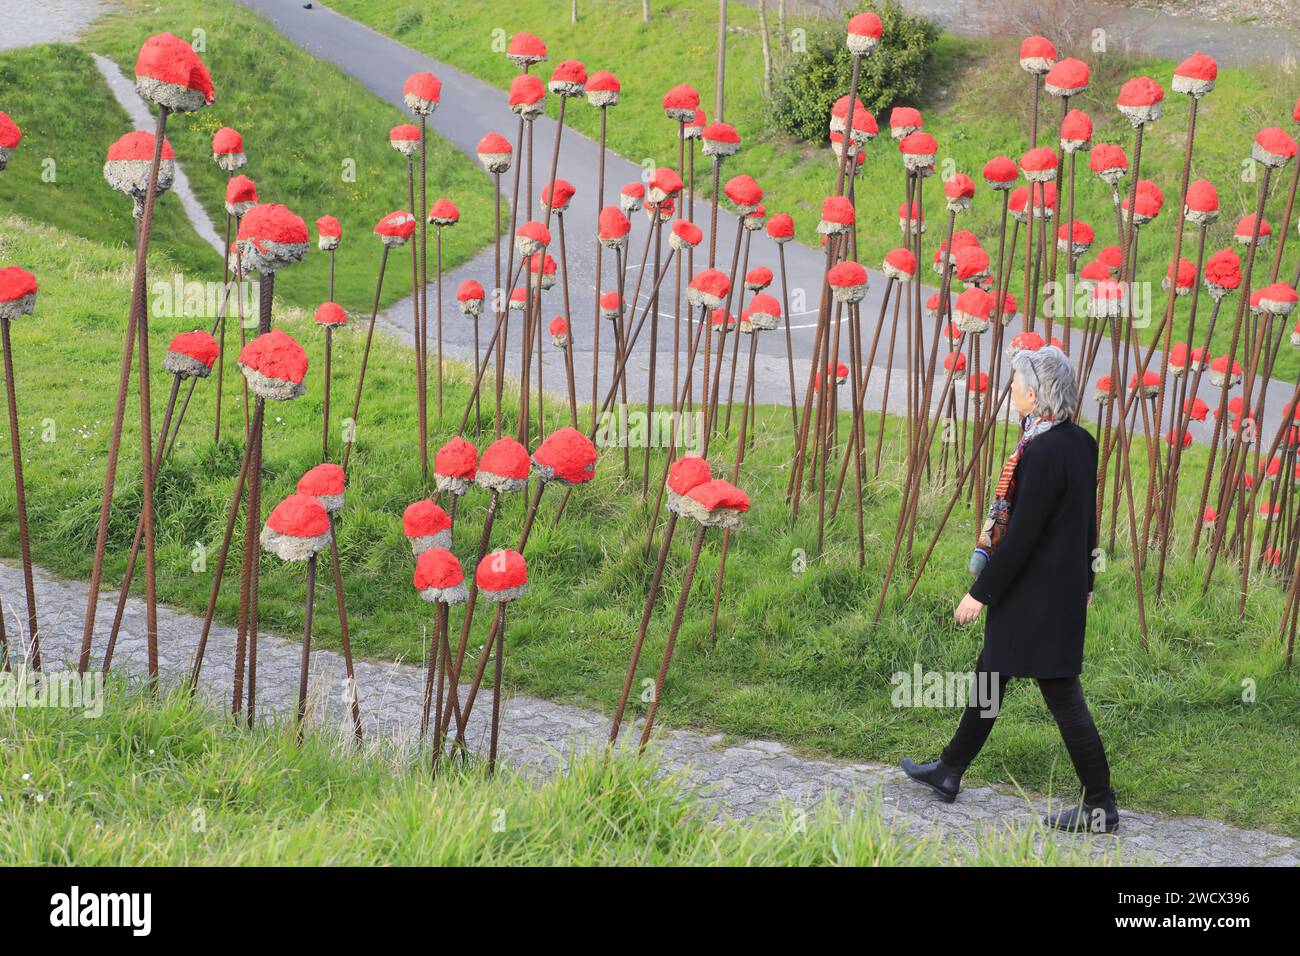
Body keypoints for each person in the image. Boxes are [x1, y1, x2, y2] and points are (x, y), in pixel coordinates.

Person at [902, 345, 1118, 834]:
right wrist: (1087, 579)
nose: (1013, 391)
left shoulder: (1039, 453)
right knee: (992, 675)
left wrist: (979, 593)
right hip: (1054, 591)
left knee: (1063, 695)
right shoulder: (1080, 442)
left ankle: (1101, 805)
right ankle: (950, 770)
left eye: (1018, 384)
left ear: (1035, 394)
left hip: (1035, 596)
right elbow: (1088, 520)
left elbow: (1021, 537)